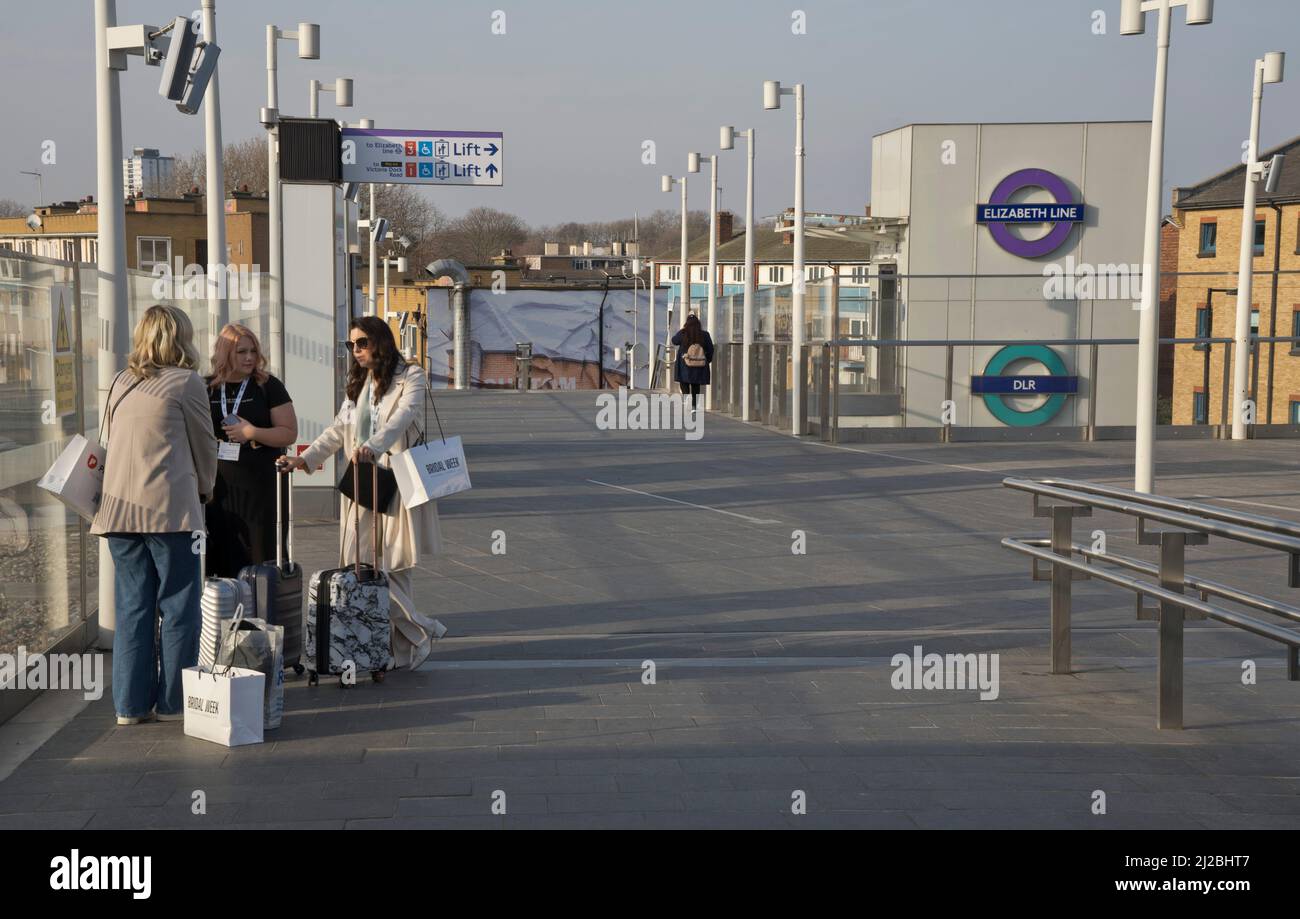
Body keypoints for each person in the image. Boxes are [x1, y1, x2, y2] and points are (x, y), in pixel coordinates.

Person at [279, 316, 447, 669]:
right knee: (360, 565)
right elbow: (338, 429)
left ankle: (405, 647)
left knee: (395, 567)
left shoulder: (410, 376)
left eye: (362, 343)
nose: (355, 351)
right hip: (361, 483)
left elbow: (402, 418)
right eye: (351, 345)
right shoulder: (359, 382)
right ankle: (421, 629)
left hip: (396, 481)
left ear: (380, 343)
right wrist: (305, 459)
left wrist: (372, 445)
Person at [90, 305, 217, 725]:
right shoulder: (187, 382)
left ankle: (129, 705)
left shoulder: (118, 382)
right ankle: (173, 702)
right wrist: (206, 488)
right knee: (179, 605)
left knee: (133, 607)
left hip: (119, 513)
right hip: (168, 513)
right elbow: (205, 444)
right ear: (180, 337)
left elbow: (107, 441)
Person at [204, 324, 297, 577]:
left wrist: (252, 432)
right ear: (225, 354)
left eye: (253, 351)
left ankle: (263, 612)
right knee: (221, 554)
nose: (249, 358)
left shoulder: (267, 385)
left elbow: (289, 432)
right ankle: (223, 613)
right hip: (218, 488)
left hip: (261, 488)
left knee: (261, 556)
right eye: (241, 351)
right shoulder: (207, 387)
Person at [671, 313, 714, 412]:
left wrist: (682, 330)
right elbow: (710, 349)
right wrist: (707, 359)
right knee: (696, 384)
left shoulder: (683, 333)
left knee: (684, 381)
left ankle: (687, 399)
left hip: (684, 363)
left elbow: (674, 341)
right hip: (699, 363)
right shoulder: (704, 334)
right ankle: (694, 406)